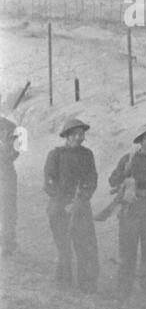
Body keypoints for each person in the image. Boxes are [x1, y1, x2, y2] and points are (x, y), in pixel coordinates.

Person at [108, 126, 146, 298]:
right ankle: (123, 290)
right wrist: (125, 177)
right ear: (141, 140)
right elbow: (112, 180)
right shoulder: (129, 159)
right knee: (128, 253)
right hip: (130, 212)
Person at [43, 116, 99, 292]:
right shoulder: (56, 154)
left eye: (81, 134)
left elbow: (92, 180)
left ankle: (87, 284)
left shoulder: (87, 155)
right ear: (66, 136)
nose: (78, 137)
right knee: (64, 246)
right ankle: (63, 283)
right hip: (59, 207)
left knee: (85, 246)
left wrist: (81, 200)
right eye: (74, 134)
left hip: (81, 206)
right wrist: (64, 202)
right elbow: (49, 182)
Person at [0, 115, 18, 257]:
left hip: (5, 173)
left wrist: (6, 148)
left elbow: (16, 152)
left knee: (7, 209)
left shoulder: (11, 127)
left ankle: (8, 242)